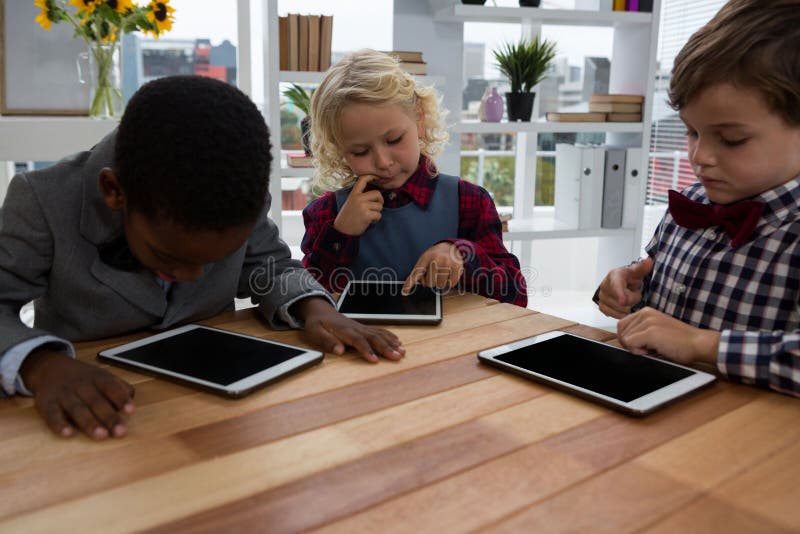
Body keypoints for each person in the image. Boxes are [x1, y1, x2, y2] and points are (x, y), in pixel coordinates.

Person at [0, 75, 406, 440]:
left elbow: (269, 265)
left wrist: (314, 307)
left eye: (218, 257)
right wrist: (40, 364)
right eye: (168, 256)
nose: (192, 277)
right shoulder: (42, 202)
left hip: (216, 411)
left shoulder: (238, 193)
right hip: (90, 418)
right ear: (114, 192)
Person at [595, 0, 800, 396]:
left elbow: (686, 338)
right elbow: (660, 314)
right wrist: (626, 291)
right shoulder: (690, 203)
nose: (699, 156)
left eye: (731, 139)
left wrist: (704, 343)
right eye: (692, 131)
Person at [301, 49, 527, 307]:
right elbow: (308, 303)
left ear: (418, 118)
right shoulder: (327, 214)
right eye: (360, 151)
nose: (383, 162)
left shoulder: (470, 201)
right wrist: (339, 234)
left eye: (394, 139)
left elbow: (516, 296)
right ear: (338, 149)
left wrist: (463, 254)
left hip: (454, 346)